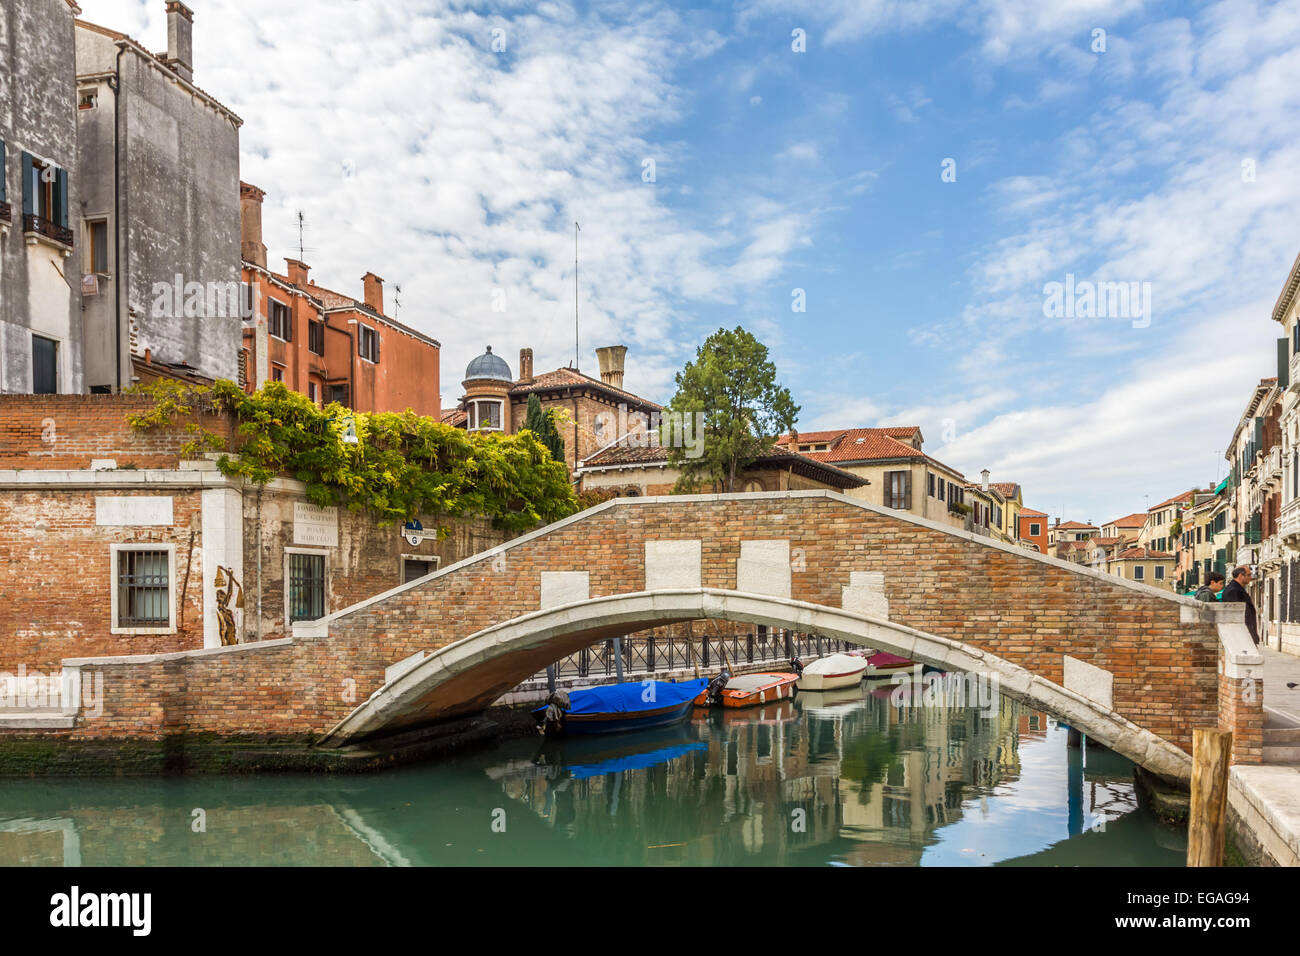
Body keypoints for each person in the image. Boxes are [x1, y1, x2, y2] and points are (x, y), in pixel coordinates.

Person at [1221, 566, 1259, 645]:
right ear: (1241, 576)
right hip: (1241, 634)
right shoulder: (1233, 591)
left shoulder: (1236, 589)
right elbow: (1236, 615)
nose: (1251, 577)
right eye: (1248, 575)